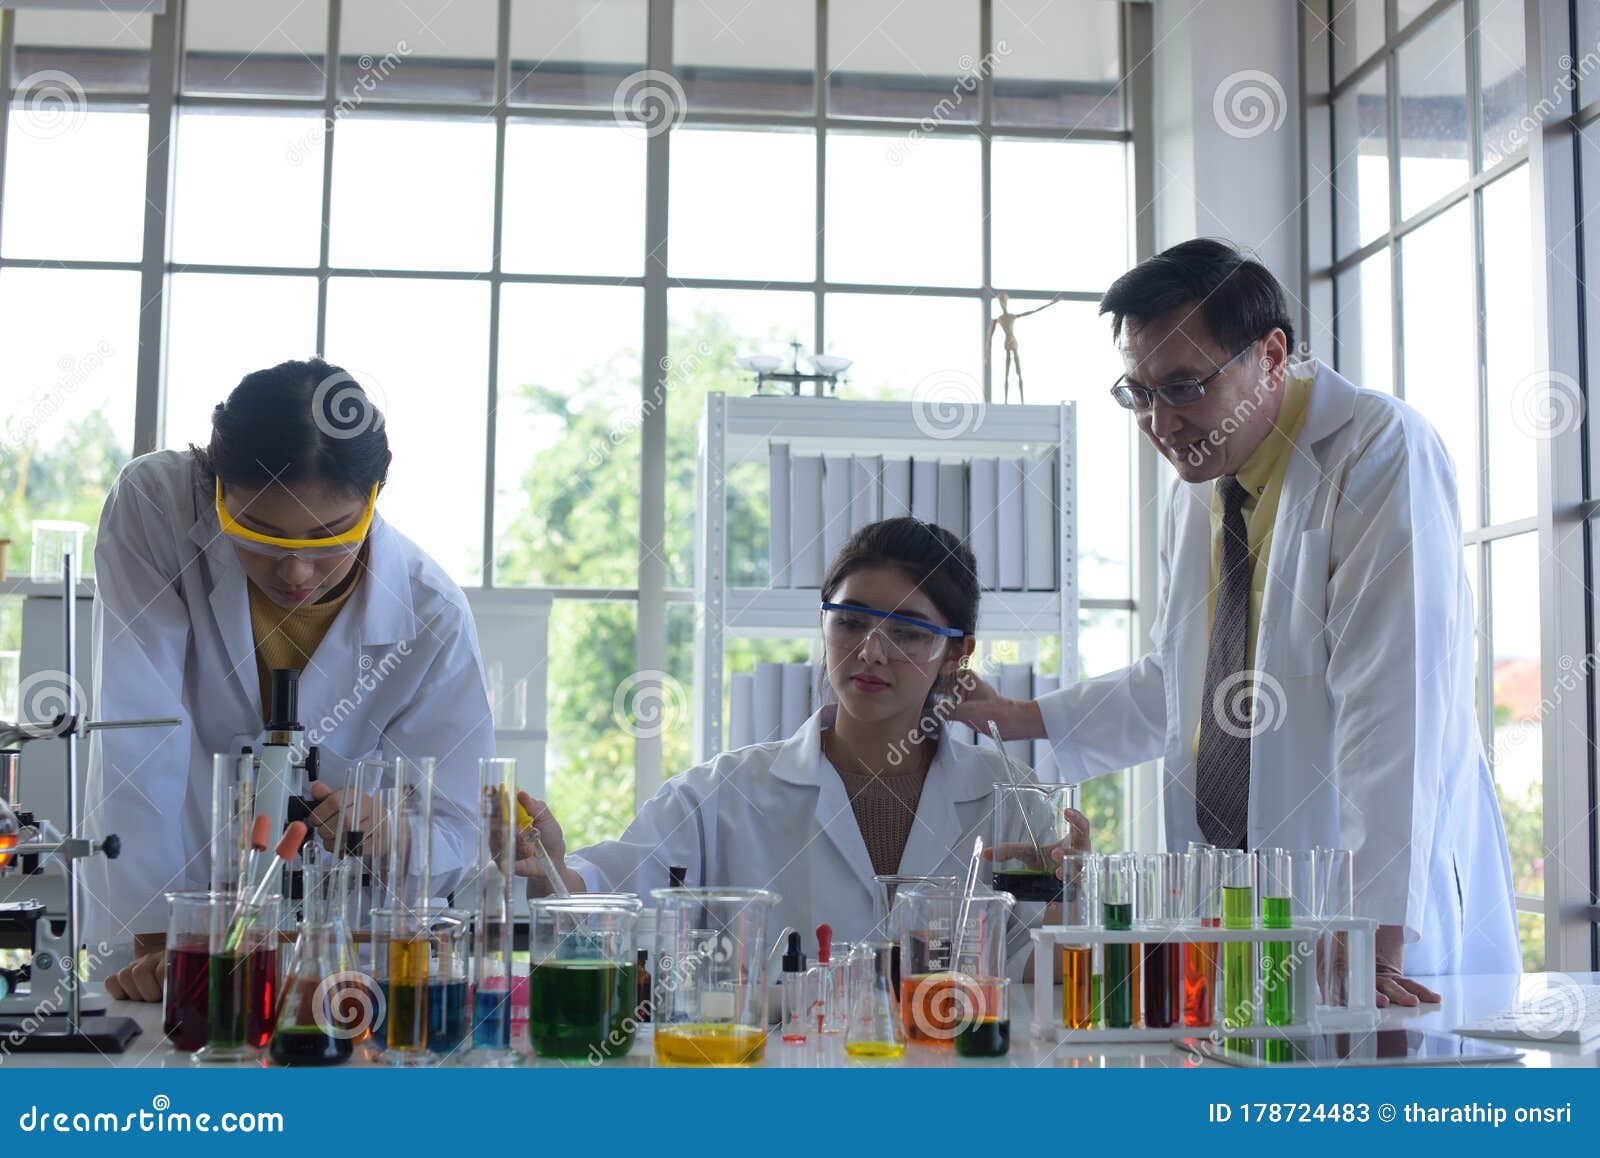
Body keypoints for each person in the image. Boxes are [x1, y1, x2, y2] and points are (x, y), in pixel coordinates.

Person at [953, 239, 1520, 1003]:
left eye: (1183, 387)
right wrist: (1017, 716)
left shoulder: (1378, 450)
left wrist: (1377, 940)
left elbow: (1396, 703)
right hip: (1242, 905)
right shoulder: (1198, 488)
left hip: (1369, 916)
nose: (1160, 422)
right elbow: (1182, 681)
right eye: (1138, 394)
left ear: (1271, 356)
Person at [86, 358, 493, 1001]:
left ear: (376, 493)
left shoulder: (430, 614)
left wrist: (390, 832)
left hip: (343, 962)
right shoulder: (158, 507)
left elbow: (458, 832)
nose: (296, 572)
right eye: (260, 532)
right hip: (166, 932)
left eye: (331, 536)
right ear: (215, 483)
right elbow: (138, 732)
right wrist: (165, 940)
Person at [516, 518, 1087, 974]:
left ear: (957, 653)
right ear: (823, 623)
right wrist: (551, 869)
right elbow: (610, 895)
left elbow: (1037, 974)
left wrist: (1072, 901)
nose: (871, 652)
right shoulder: (725, 793)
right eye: (851, 622)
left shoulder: (1013, 802)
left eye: (907, 631)